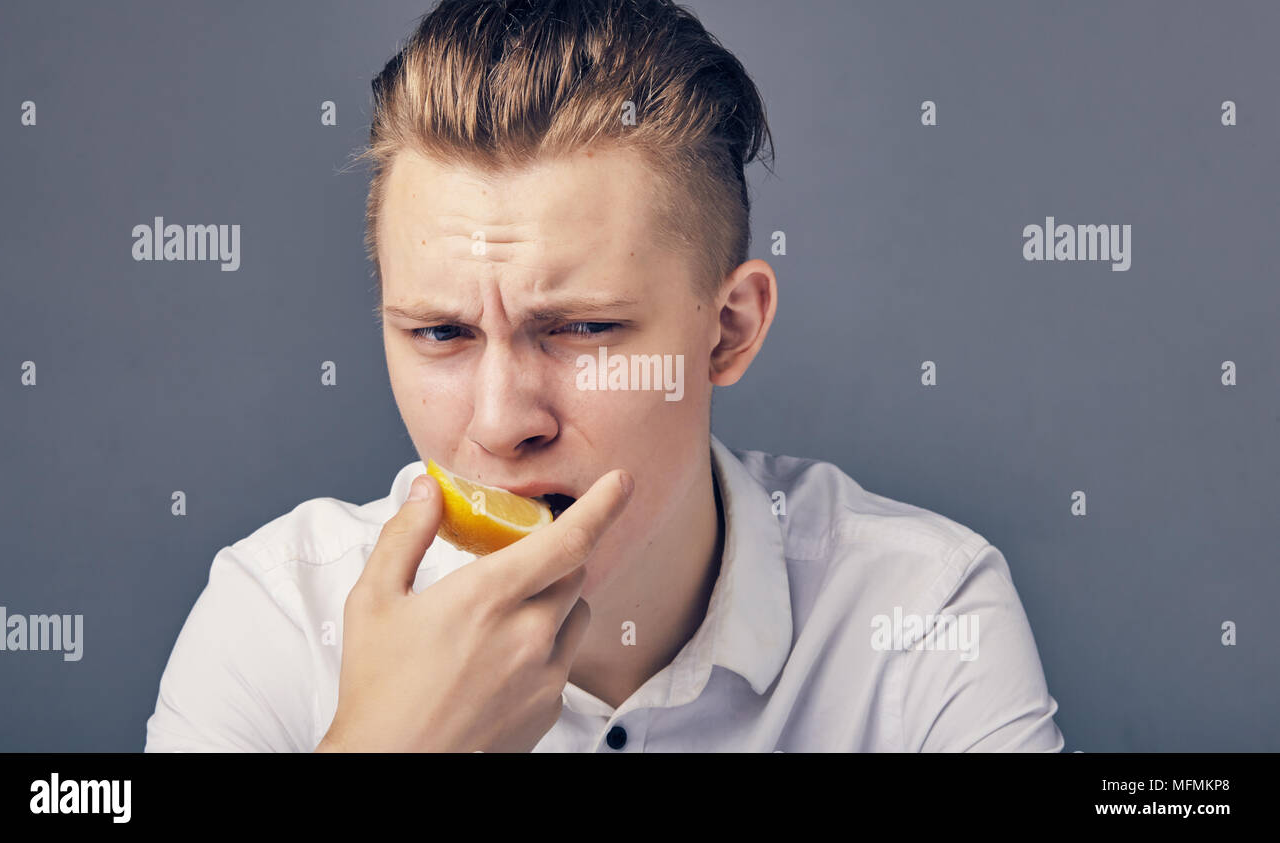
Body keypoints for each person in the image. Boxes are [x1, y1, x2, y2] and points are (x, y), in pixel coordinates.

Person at [145, 0, 1064, 753]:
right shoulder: (274, 619)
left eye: (582, 328)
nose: (503, 423)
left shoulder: (922, 615)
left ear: (729, 330)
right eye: (438, 332)